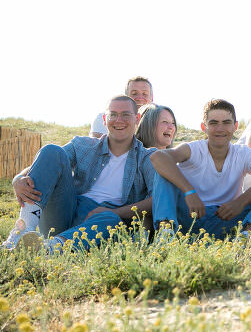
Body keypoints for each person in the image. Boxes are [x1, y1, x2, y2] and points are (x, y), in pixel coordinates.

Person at [4, 95, 155, 251]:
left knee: (112, 219)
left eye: (125, 114)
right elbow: (48, 162)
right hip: (66, 211)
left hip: (102, 222)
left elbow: (155, 199)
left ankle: (49, 249)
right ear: (104, 119)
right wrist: (19, 178)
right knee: (51, 150)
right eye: (113, 114)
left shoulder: (147, 158)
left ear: (137, 119)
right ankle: (22, 231)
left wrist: (114, 211)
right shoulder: (83, 145)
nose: (118, 120)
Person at [150, 99, 251, 239]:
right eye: (213, 123)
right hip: (190, 215)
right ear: (204, 127)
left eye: (226, 122)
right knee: (164, 171)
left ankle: (248, 233)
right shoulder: (193, 149)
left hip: (226, 216)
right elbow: (158, 157)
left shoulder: (242, 153)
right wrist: (189, 191)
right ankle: (166, 232)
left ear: (235, 126)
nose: (220, 128)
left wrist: (240, 202)